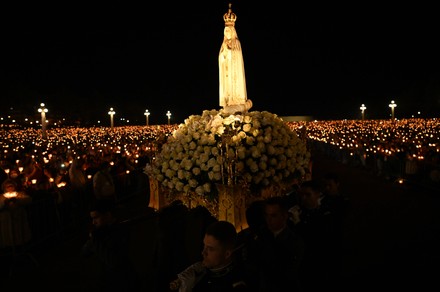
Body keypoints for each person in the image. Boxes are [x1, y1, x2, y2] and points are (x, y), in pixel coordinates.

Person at [170, 220, 249, 291]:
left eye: (210, 249)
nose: (203, 252)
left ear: (227, 254)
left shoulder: (237, 285)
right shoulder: (200, 274)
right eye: (204, 245)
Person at [289, 180, 339, 292]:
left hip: (318, 264)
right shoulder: (300, 212)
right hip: (301, 265)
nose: (304, 198)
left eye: (308, 195)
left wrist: (298, 223)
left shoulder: (325, 215)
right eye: (301, 195)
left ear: (318, 194)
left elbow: (315, 239)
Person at [81, 198, 140, 292]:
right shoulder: (99, 232)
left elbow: (113, 261)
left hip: (124, 282)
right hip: (108, 282)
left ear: (108, 215)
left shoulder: (120, 231)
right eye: (92, 218)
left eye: (96, 217)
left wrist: (95, 240)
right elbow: (85, 252)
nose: (93, 222)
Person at [250, 196, 305, 291]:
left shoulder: (294, 242)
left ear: (285, 216)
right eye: (266, 215)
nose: (269, 220)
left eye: (273, 216)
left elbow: (288, 275)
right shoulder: (261, 235)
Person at [219, 3, 252, 115]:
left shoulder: (236, 42)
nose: (227, 33)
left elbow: (237, 57)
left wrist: (230, 52)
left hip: (234, 74)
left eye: (229, 31)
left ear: (232, 32)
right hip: (227, 73)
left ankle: (239, 103)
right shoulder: (224, 44)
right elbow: (221, 58)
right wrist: (224, 55)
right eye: (225, 31)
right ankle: (229, 102)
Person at [0, 178, 33, 249]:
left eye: (11, 185)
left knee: (20, 234)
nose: (10, 187)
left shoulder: (20, 194)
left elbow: (29, 200)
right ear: (4, 188)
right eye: (8, 186)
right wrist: (4, 203)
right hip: (6, 220)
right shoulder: (1, 197)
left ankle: (21, 248)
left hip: (19, 219)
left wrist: (17, 201)